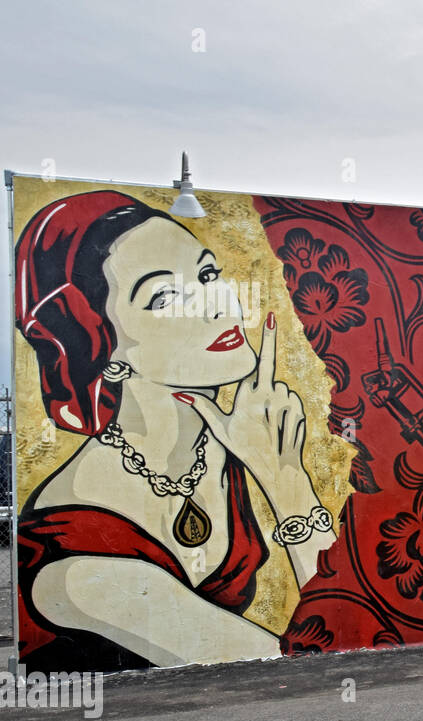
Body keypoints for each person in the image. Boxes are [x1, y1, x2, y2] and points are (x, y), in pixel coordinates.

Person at [15, 190, 335, 670]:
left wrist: (275, 461)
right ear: (102, 347)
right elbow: (316, 659)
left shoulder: (232, 442)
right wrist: (285, 479)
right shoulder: (79, 566)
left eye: (207, 274)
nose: (217, 305)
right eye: (165, 296)